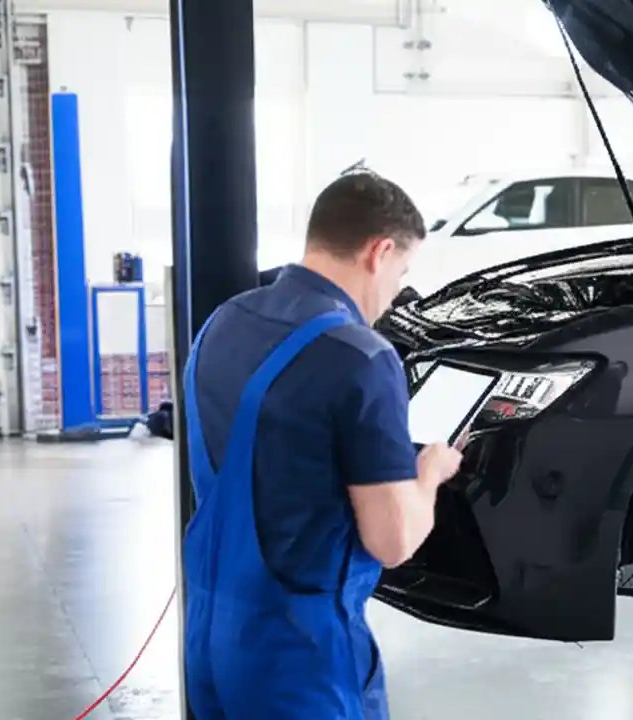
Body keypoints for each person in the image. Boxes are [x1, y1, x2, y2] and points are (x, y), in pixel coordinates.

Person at [180, 170, 463, 719]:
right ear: (379, 252)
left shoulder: (224, 321)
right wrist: (429, 471)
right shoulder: (362, 357)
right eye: (402, 270)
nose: (396, 291)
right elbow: (394, 541)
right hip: (299, 655)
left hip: (210, 637)